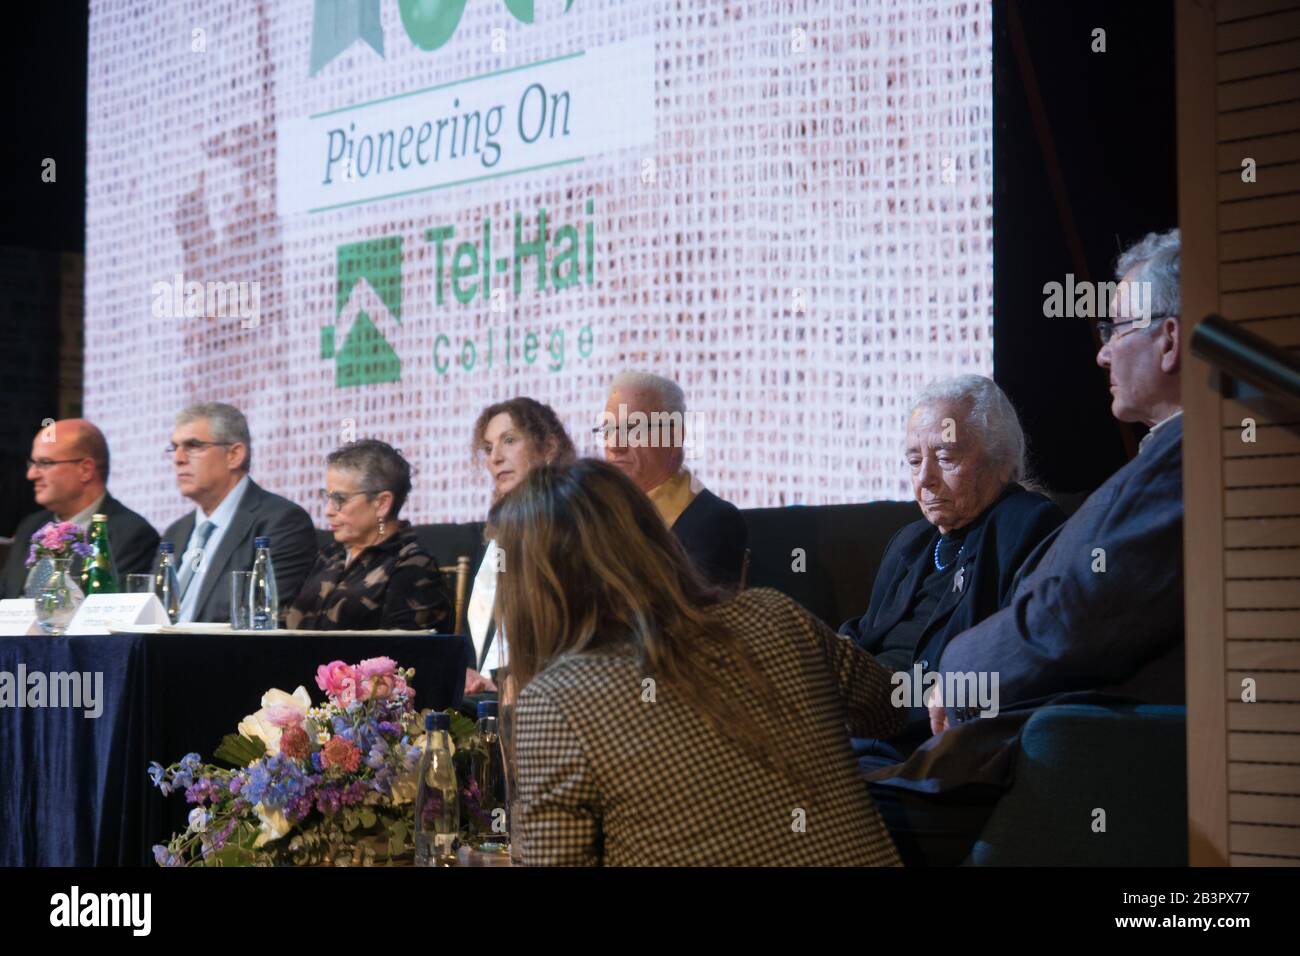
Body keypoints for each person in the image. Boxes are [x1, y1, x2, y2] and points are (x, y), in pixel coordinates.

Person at [867, 228, 1186, 865]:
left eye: (1116, 331)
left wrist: (953, 680)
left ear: (1170, 339)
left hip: (1029, 738)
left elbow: (1071, 615)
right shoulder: (911, 542)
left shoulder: (1188, 460)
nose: (1102, 355)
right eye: (913, 461)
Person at [494, 459, 904, 866]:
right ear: (651, 538)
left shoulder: (556, 702)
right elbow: (891, 709)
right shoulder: (777, 613)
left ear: (530, 588)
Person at [840, 375, 1064, 766]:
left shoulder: (1024, 525)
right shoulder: (910, 542)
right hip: (854, 729)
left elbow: (1024, 657)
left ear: (1004, 465)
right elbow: (867, 634)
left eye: (945, 458)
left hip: (920, 747)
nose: (924, 478)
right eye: (914, 461)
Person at [161, 402, 317, 624]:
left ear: (234, 455)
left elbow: (263, 619)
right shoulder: (175, 533)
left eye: (193, 446)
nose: (178, 458)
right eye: (174, 447)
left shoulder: (281, 523)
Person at [464, 397, 576, 694]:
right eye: (488, 448)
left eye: (509, 440)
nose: (495, 457)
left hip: (551, 695)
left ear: (549, 448)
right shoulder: (494, 533)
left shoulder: (573, 527)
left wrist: (514, 681)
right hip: (489, 700)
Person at [598, 371, 747, 587]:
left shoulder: (713, 523)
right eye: (608, 430)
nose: (614, 446)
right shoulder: (595, 515)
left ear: (675, 436)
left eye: (632, 429)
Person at [286, 440, 452, 631]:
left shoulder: (411, 566)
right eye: (328, 497)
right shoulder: (329, 556)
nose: (328, 510)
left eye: (340, 499)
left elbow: (405, 655)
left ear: (382, 503)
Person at [2, 419, 159, 598]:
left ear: (86, 470)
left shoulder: (131, 535)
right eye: (32, 464)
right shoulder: (31, 526)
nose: (31, 475)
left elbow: (106, 611)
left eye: (45, 463)